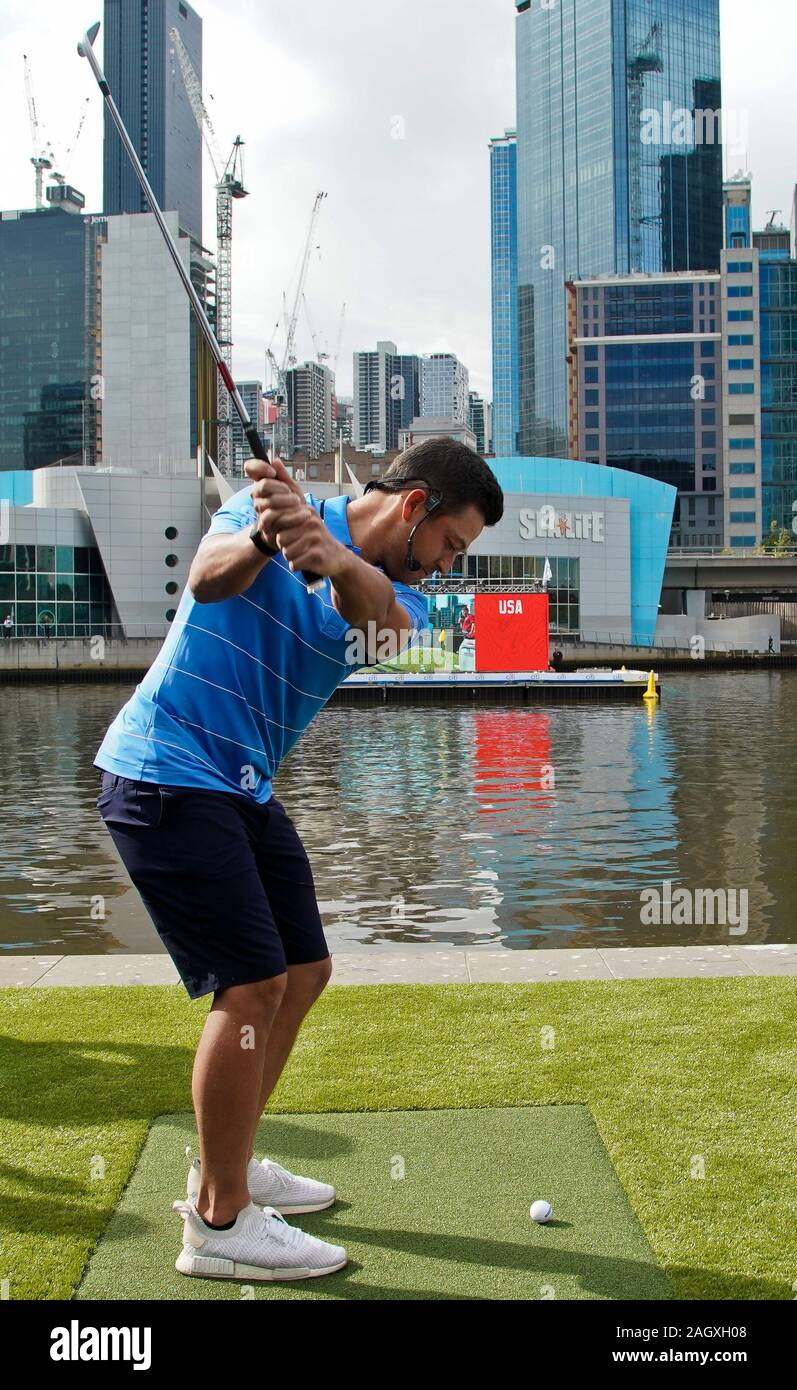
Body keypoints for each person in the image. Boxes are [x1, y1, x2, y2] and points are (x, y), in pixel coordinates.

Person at [93, 436, 504, 1284]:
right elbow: (205, 581)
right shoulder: (263, 509)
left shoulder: (399, 597)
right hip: (165, 770)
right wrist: (261, 537)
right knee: (251, 985)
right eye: (450, 543)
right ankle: (219, 1219)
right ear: (416, 505)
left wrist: (327, 554)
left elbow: (385, 635)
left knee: (305, 969)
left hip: (239, 786)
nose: (446, 562)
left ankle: (227, 1161)